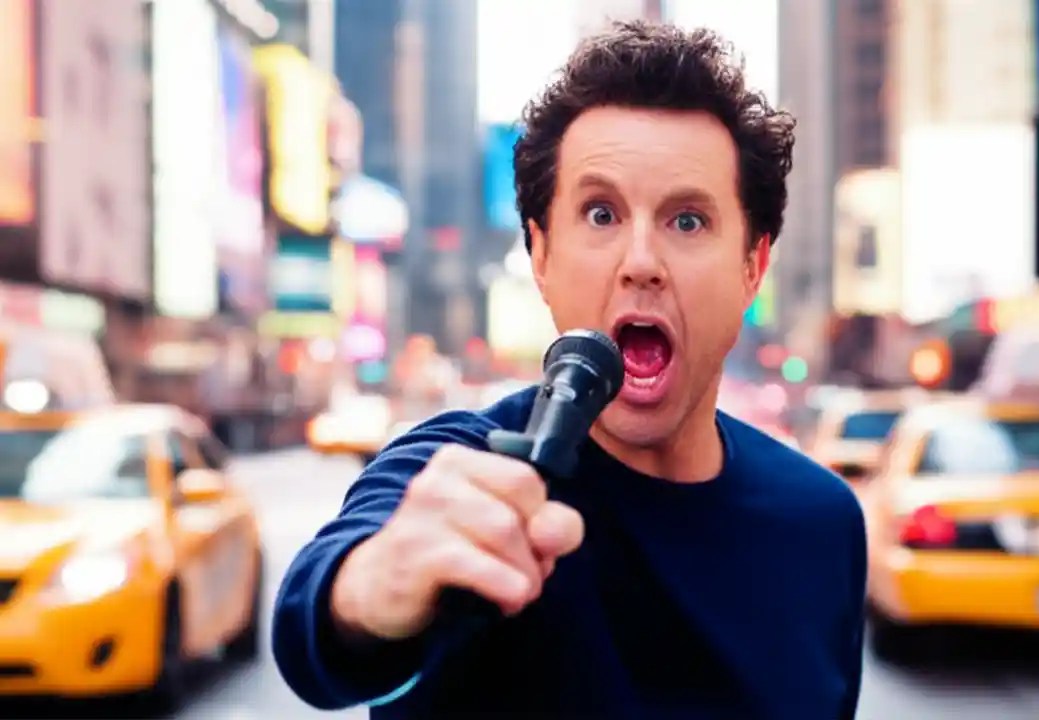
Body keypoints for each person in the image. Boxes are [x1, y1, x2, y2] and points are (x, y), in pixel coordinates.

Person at [272, 21, 867, 720]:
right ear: (541, 255)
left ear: (752, 267)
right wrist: (376, 587)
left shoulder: (823, 526)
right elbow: (317, 631)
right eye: (600, 212)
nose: (641, 260)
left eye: (687, 221)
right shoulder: (457, 474)